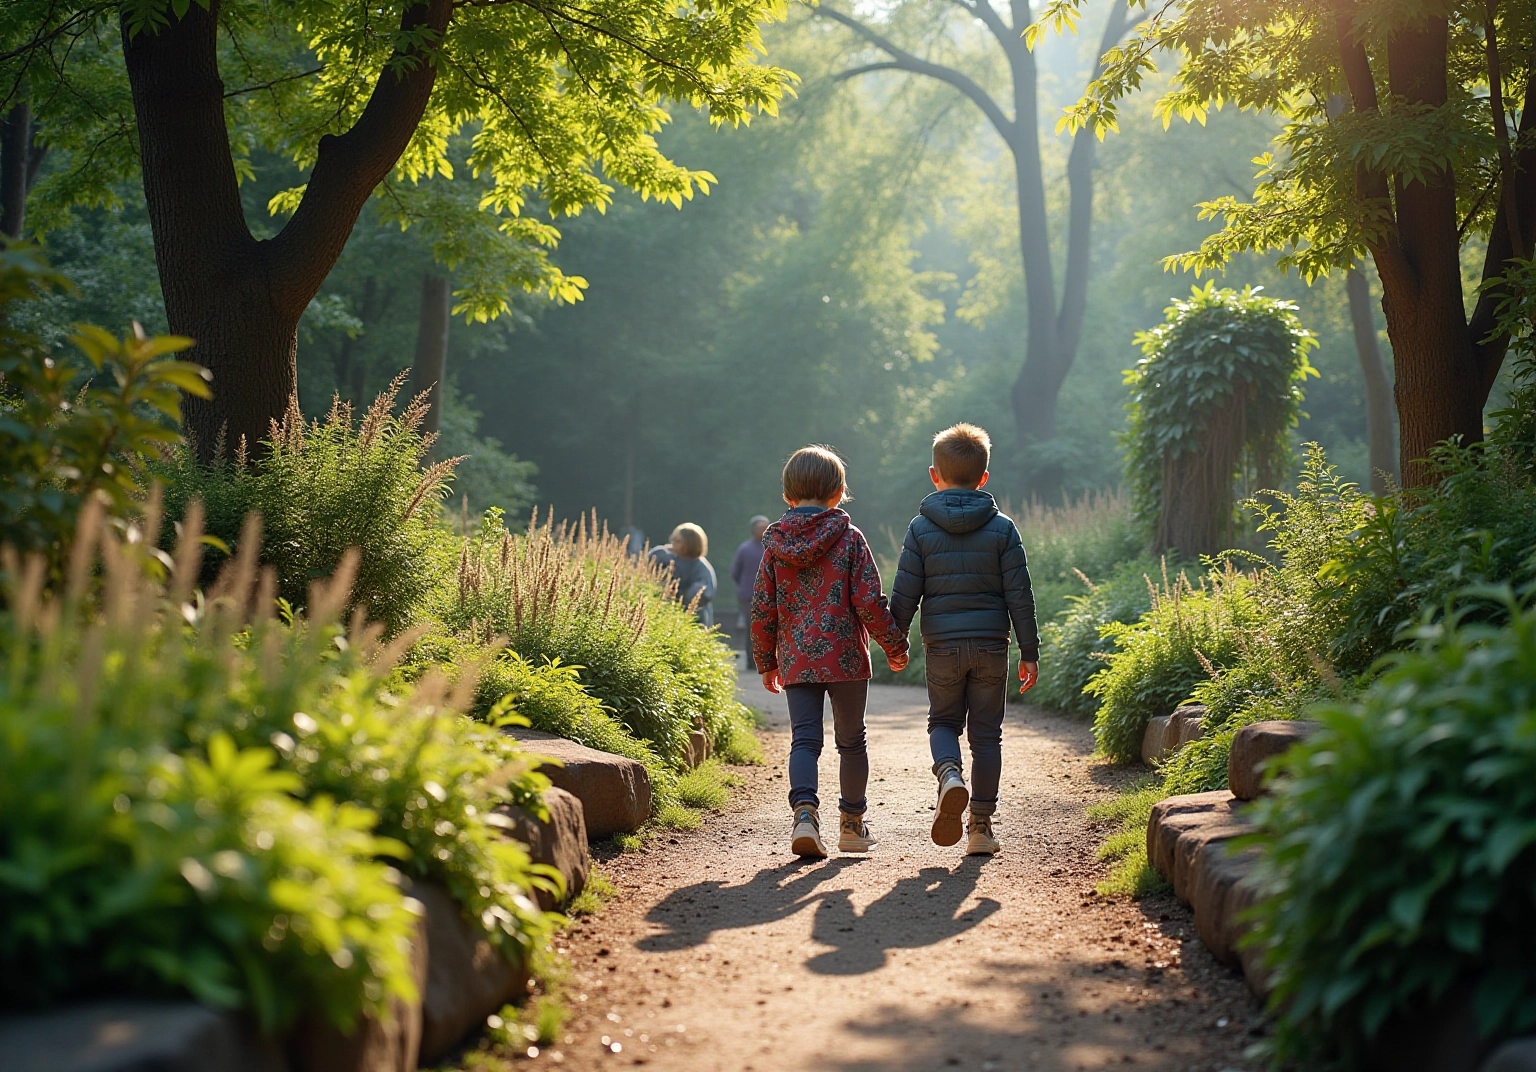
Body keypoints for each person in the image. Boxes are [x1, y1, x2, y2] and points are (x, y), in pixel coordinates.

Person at [751, 446, 909, 859]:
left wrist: (766, 662)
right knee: (852, 742)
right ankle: (852, 826)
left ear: (787, 495)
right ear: (839, 493)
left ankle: (805, 815)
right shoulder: (850, 539)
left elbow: (762, 608)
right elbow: (869, 600)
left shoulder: (774, 546)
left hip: (797, 659)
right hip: (846, 659)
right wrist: (894, 645)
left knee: (804, 739)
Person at [889, 423, 1038, 856]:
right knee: (987, 736)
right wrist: (1029, 651)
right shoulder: (1004, 528)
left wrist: (896, 641)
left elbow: (905, 593)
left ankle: (949, 775)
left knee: (943, 723)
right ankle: (980, 827)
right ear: (984, 478)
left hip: (943, 646)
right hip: (992, 644)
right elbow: (1020, 595)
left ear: (934, 474)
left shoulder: (920, 528)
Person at [649, 523, 717, 627]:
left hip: (693, 618)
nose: (673, 543)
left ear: (691, 544)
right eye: (673, 540)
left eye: (678, 541)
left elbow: (704, 593)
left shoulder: (701, 568)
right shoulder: (663, 557)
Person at [730, 515, 771, 657]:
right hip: (749, 595)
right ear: (753, 529)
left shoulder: (772, 547)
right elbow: (735, 572)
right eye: (760, 527)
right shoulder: (744, 549)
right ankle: (751, 659)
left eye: (766, 527)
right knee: (752, 627)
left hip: (771, 594)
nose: (763, 530)